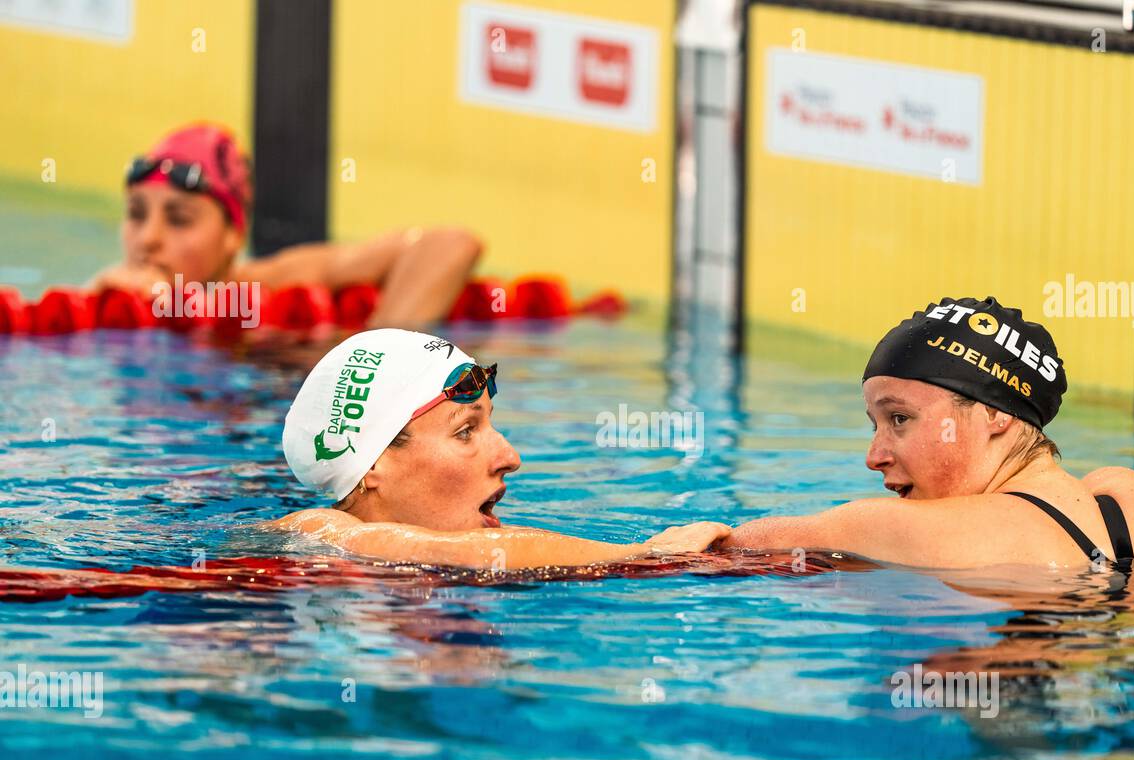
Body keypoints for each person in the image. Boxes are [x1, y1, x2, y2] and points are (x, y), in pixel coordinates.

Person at [722, 296, 1134, 573]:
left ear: (994, 415)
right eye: (875, 425)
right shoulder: (1129, 501)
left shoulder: (894, 528)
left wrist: (694, 540)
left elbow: (697, 558)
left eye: (899, 419)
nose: (874, 456)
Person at [271, 328, 730, 568]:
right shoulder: (317, 533)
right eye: (465, 431)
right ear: (373, 464)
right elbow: (458, 554)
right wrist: (642, 553)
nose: (511, 458)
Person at [88, 122, 481, 328]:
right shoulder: (110, 296)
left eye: (179, 220)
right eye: (137, 214)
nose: (148, 238)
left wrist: (373, 369)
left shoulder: (268, 285)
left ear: (234, 235)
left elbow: (450, 245)